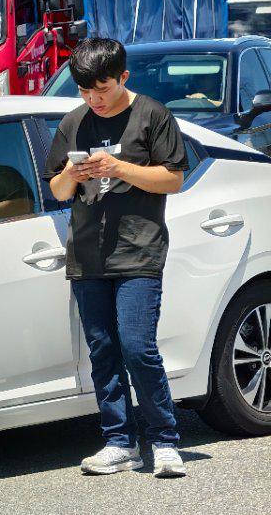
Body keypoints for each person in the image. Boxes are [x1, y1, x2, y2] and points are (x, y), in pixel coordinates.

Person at [46, 37, 189, 478]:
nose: (94, 99)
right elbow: (57, 191)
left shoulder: (152, 115)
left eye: (102, 89)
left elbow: (174, 179)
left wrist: (119, 167)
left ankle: (164, 440)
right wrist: (72, 173)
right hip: (88, 255)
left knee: (137, 346)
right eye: (85, 91)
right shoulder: (73, 122)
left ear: (123, 77)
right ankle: (119, 442)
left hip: (139, 250)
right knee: (103, 350)